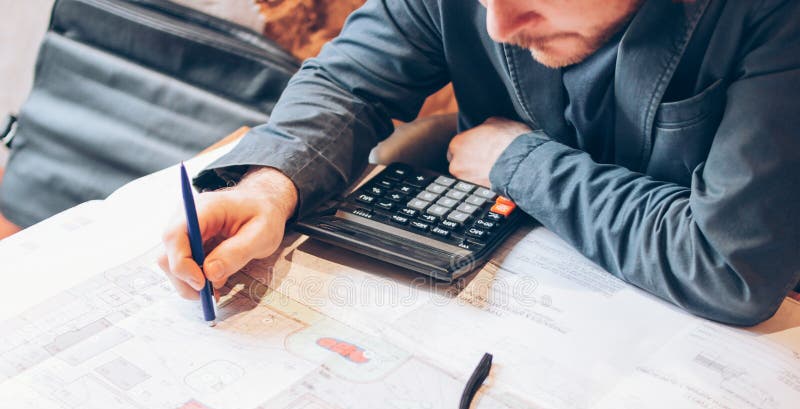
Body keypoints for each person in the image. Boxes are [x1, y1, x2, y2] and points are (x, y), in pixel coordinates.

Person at [160, 0, 800, 326]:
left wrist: (518, 161)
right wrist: (270, 187)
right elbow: (350, 82)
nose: (496, 25)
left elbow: (728, 264)